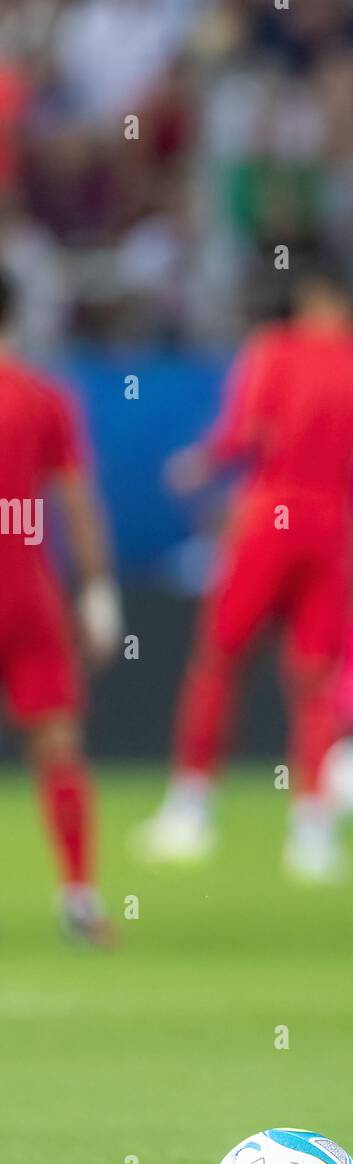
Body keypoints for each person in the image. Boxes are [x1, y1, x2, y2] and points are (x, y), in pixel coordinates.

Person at [133, 274, 353, 879]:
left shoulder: (274, 350)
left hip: (267, 522)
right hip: (334, 531)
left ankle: (190, 813)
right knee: (314, 684)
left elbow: (239, 437)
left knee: (219, 663)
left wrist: (199, 468)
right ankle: (312, 834)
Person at [0, 270, 122, 943]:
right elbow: (76, 501)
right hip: (25, 596)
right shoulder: (43, 397)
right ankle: (78, 897)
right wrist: (99, 592)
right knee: (57, 747)